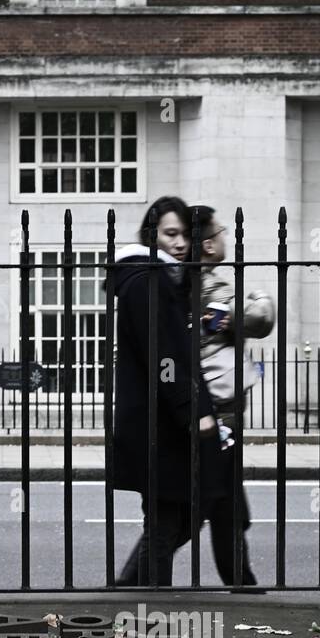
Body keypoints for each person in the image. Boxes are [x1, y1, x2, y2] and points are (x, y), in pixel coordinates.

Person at [112, 197, 251, 588]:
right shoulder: (147, 281)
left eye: (184, 235)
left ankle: (133, 593)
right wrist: (196, 411)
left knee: (173, 518)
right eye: (170, 234)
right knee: (165, 521)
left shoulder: (164, 278)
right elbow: (166, 358)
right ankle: (147, 602)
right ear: (150, 234)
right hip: (162, 426)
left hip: (169, 422)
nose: (179, 243)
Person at [194, 205, 276, 589]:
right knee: (188, 515)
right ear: (209, 245)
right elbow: (261, 318)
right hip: (216, 418)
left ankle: (242, 581)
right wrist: (258, 294)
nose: (227, 237)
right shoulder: (211, 288)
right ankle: (130, 581)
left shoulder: (193, 285)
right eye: (222, 232)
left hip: (215, 416)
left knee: (224, 504)